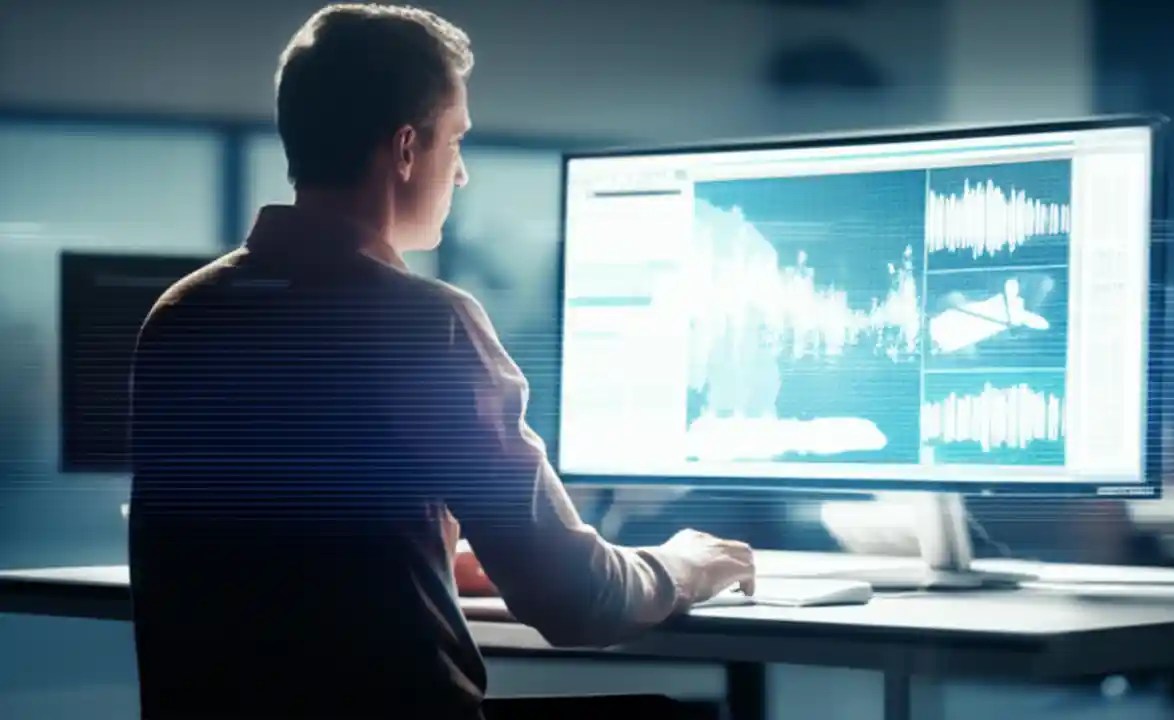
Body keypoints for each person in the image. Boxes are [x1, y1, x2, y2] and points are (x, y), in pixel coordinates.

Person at [127, 4, 755, 719]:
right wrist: (683, 566)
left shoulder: (179, 315)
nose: (459, 176)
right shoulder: (426, 323)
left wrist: (430, 558)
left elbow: (277, 553)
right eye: (454, 141)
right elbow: (577, 602)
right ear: (404, 150)